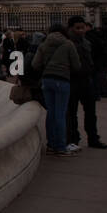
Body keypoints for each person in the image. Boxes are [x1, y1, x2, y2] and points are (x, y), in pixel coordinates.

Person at [33, 22, 82, 155]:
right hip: (62, 80)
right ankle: (60, 146)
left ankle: (51, 144)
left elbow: (35, 64)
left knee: (51, 113)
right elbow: (77, 65)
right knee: (60, 113)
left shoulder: (44, 44)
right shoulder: (68, 44)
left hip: (46, 80)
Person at [66, 16, 107, 149]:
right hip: (72, 81)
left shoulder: (87, 42)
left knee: (91, 111)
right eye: (77, 28)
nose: (81, 30)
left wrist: (93, 71)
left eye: (82, 27)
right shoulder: (67, 43)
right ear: (71, 28)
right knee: (71, 112)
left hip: (86, 80)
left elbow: (94, 58)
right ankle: (73, 138)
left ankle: (93, 138)